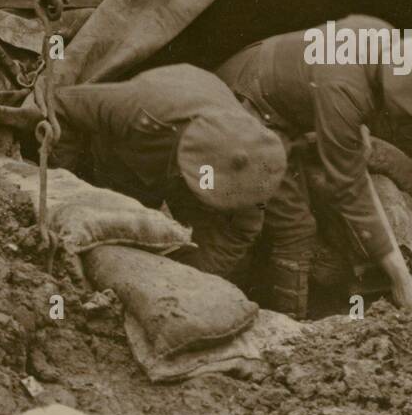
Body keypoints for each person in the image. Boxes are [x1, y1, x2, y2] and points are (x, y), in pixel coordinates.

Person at [217, 16, 412, 317]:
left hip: (264, 80)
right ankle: (292, 332)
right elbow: (350, 189)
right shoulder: (342, 89)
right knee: (294, 228)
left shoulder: (384, 36)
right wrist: (401, 278)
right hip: (247, 106)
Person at [46, 65, 287, 278]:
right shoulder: (142, 107)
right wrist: (68, 183)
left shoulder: (254, 173)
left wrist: (191, 277)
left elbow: (239, 233)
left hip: (175, 182)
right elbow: (62, 107)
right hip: (120, 159)